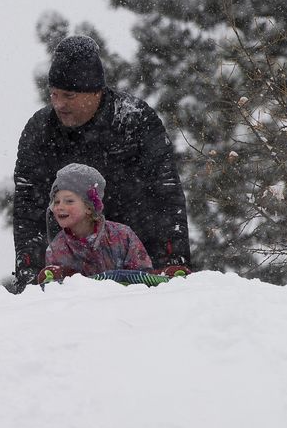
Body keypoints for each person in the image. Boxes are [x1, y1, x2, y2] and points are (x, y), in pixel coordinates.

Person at [12, 35, 190, 289]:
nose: (59, 104)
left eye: (69, 96)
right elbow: (27, 208)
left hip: (139, 268)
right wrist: (29, 273)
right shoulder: (40, 131)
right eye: (53, 94)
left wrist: (174, 262)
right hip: (70, 273)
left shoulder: (135, 121)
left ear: (95, 91)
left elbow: (166, 195)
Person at [36, 163, 153, 283]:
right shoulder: (57, 248)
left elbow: (145, 277)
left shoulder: (122, 235)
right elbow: (60, 294)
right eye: (56, 202)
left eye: (69, 201)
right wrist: (53, 277)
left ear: (89, 207)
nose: (59, 207)